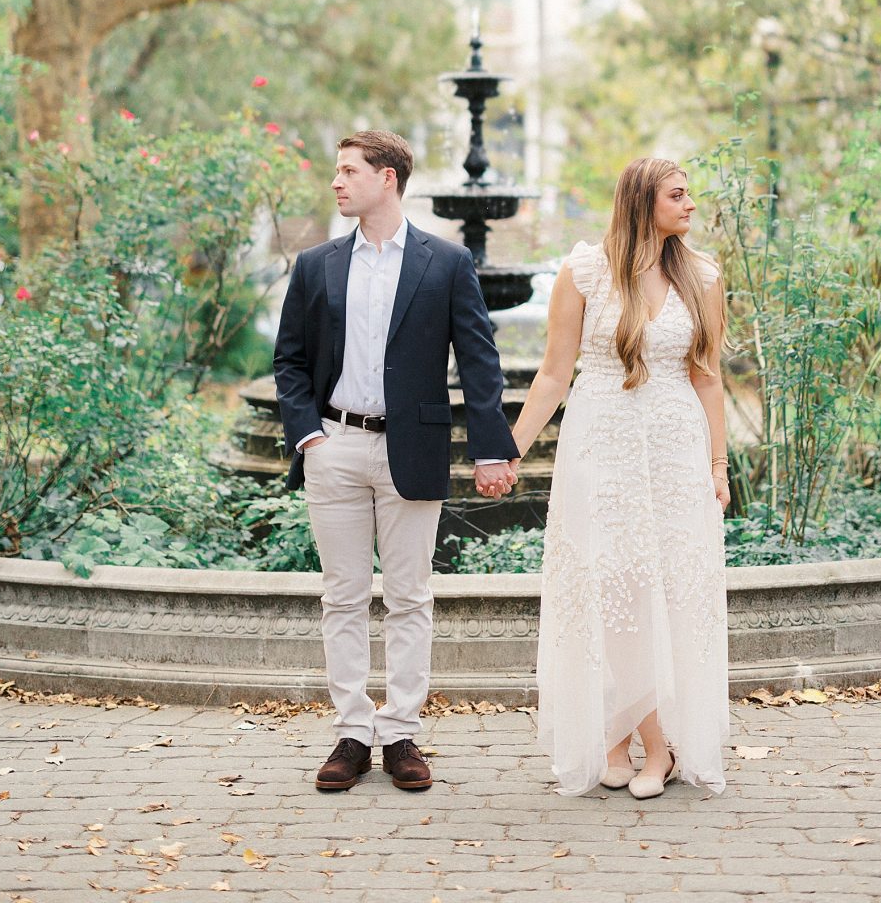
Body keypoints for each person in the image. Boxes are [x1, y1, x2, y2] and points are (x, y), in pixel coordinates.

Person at [274, 130, 519, 794]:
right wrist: (309, 437)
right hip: (334, 447)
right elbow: (289, 361)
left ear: (387, 178)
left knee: (409, 596)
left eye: (349, 170)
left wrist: (492, 444)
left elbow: (478, 359)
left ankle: (401, 732)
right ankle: (352, 733)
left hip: (413, 447)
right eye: (336, 170)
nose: (337, 181)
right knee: (344, 596)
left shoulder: (445, 262)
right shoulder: (316, 265)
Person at [511, 156, 730, 798]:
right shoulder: (583, 272)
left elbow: (708, 376)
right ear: (643, 201)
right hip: (600, 445)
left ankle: (657, 749)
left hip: (672, 446)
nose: (690, 205)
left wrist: (718, 465)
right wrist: (511, 449)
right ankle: (616, 737)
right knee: (607, 589)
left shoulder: (703, 277)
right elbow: (554, 373)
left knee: (667, 589)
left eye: (689, 195)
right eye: (678, 195)